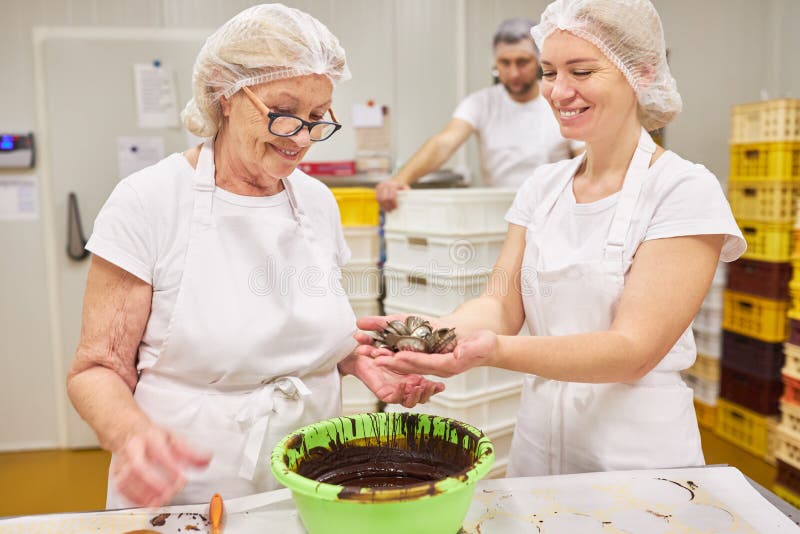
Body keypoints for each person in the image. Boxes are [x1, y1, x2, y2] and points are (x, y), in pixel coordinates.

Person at [67, 4, 442, 508]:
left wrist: (355, 359)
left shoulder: (316, 202)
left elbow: (297, 329)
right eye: (285, 112)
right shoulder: (149, 201)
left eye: (317, 118)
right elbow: (96, 370)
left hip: (314, 473)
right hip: (185, 483)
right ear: (224, 93)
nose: (302, 138)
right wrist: (131, 435)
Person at [356, 0, 745, 477]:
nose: (558, 91)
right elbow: (501, 304)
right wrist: (435, 335)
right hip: (539, 445)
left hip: (635, 457)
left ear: (642, 72)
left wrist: (494, 351)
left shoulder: (682, 190)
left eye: (581, 71)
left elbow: (633, 350)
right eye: (549, 72)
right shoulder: (543, 187)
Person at [376, 17, 581, 211]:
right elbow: (443, 144)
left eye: (522, 62)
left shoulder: (559, 99)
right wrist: (400, 180)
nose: (513, 73)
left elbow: (584, 156)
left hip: (553, 210)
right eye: (505, 63)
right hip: (498, 210)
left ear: (539, 61)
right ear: (495, 63)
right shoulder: (481, 103)